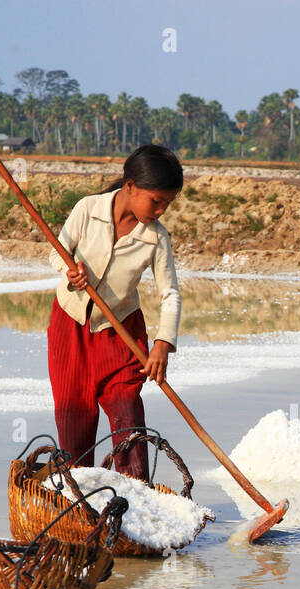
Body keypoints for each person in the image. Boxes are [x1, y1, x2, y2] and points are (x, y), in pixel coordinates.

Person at [48, 144, 183, 480]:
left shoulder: (156, 238)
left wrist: (163, 344)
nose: (161, 210)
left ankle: (134, 493)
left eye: (167, 203)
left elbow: (170, 294)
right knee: (74, 418)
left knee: (128, 415)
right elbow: (57, 252)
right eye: (156, 201)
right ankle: (77, 495)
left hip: (121, 333)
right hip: (71, 328)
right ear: (131, 186)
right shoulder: (88, 209)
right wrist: (70, 272)